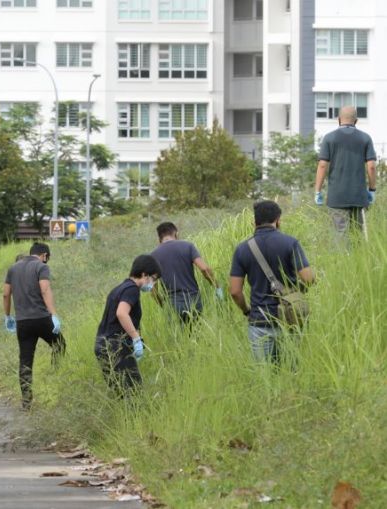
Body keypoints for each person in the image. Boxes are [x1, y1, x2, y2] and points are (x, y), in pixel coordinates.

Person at [229, 201, 315, 362]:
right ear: (278, 220)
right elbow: (309, 278)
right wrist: (295, 292)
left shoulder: (241, 249)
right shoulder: (290, 243)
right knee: (292, 373)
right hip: (290, 319)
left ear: (254, 223)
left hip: (259, 322)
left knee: (265, 377)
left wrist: (247, 311)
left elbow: (235, 291)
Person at [2, 242, 64, 410]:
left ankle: (26, 401)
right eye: (47, 259)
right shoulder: (41, 267)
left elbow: (6, 294)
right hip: (42, 318)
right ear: (44, 255)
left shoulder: (13, 268)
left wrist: (8, 316)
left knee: (25, 360)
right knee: (60, 345)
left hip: (23, 322)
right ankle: (57, 377)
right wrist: (54, 315)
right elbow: (45, 290)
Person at [95, 255, 161, 393]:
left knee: (120, 393)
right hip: (116, 346)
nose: (153, 284)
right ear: (144, 274)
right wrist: (136, 338)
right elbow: (121, 313)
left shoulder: (118, 289)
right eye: (153, 279)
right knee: (134, 394)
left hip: (102, 346)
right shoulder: (132, 289)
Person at [314, 105, 377, 241]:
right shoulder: (365, 138)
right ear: (356, 121)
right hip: (359, 196)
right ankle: (358, 261)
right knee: (358, 234)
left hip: (337, 196)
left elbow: (322, 165)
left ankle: (342, 260)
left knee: (339, 235)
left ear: (338, 119)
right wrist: (372, 190)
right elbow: (371, 166)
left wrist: (317, 191)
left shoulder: (329, 138)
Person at [150, 222, 221, 325]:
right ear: (176, 234)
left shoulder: (153, 255)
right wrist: (217, 287)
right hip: (193, 300)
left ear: (159, 239)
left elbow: (152, 289)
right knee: (198, 336)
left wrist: (164, 305)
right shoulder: (188, 246)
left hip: (172, 303)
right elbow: (204, 269)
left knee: (178, 339)